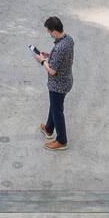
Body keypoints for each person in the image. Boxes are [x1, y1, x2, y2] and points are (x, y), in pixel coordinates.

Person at [34, 16, 74, 151]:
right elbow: (60, 58)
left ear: (54, 32)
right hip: (67, 79)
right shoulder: (68, 39)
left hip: (58, 85)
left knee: (57, 111)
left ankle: (62, 140)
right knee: (54, 105)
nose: (49, 35)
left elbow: (52, 71)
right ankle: (49, 129)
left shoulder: (59, 48)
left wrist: (41, 60)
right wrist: (49, 55)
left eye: (49, 32)